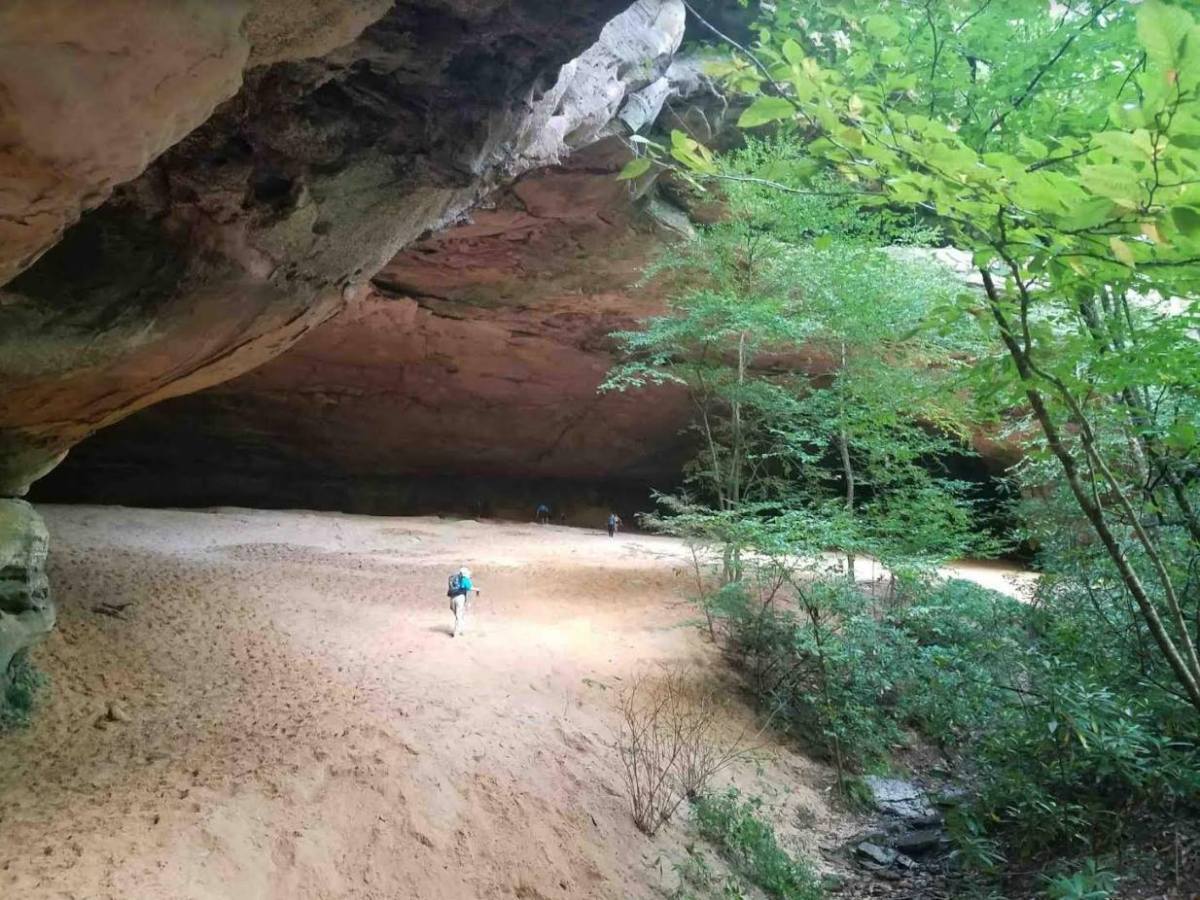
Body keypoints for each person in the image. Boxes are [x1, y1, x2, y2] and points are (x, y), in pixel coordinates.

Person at [446, 566, 480, 637]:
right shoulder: (465, 579)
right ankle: (456, 633)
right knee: (459, 616)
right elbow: (469, 588)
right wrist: (477, 589)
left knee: (458, 615)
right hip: (460, 598)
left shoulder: (454, 578)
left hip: (452, 598)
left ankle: (459, 629)